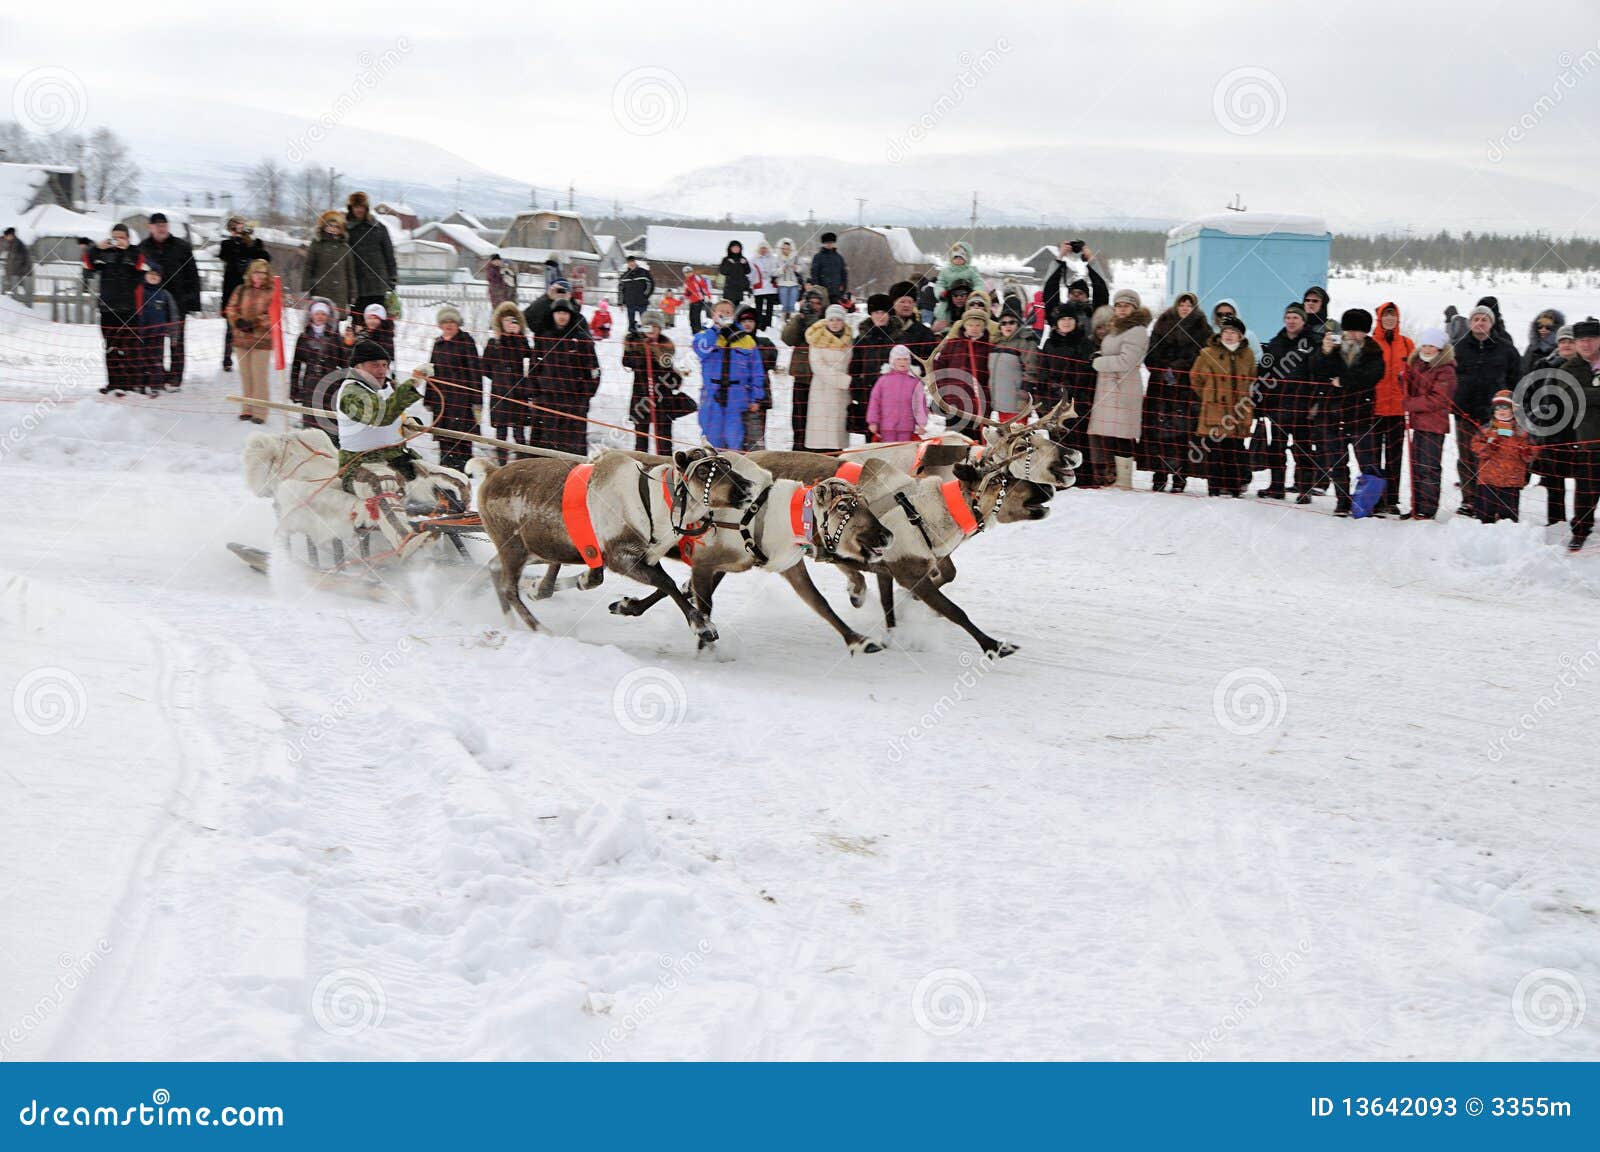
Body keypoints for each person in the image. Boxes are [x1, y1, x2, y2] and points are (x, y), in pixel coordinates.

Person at [1309, 308, 1387, 516]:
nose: (1352, 334)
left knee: (1368, 461)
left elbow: (1373, 375)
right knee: (1337, 461)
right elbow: (1316, 370)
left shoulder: (1373, 351)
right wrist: (1324, 352)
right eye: (1349, 329)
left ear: (1365, 332)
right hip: (1332, 414)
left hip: (1361, 414)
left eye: (1358, 330)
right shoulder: (1332, 347)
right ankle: (1342, 501)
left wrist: (1344, 380)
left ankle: (1373, 502)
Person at [1452, 303, 1522, 515]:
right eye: (1476, 319)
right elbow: (1449, 377)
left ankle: (1494, 500)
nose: (1480, 323)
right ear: (1470, 323)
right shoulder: (1458, 348)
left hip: (1497, 415)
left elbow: (1516, 379)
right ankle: (1470, 499)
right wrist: (1455, 402)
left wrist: (1511, 406)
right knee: (1467, 456)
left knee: (1497, 456)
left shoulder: (1506, 349)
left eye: (1484, 319)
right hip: (1465, 412)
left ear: (1491, 323)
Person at [1141, 291, 1211, 493]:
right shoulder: (1162, 323)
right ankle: (1159, 474)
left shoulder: (1203, 328)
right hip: (1160, 387)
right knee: (1158, 433)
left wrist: (1179, 368)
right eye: (1182, 304)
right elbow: (1151, 354)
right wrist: (1163, 369)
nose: (1185, 308)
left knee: (1183, 434)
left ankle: (1180, 476)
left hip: (1186, 388)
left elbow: (1202, 357)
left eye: (1189, 305)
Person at [1028, 303, 1102, 484]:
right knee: (1057, 439)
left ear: (1076, 321)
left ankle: (1083, 477)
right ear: (1056, 323)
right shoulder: (1049, 343)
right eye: (1063, 319)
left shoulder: (1084, 343)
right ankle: (1060, 476)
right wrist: (1044, 396)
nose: (1066, 322)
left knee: (1078, 439)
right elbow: (1043, 371)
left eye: (1070, 319)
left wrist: (1073, 388)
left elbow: (1089, 372)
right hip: (1054, 400)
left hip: (1078, 401)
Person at [1255, 302, 1320, 499]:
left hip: (1303, 406)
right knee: (1276, 448)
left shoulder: (1313, 343)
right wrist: (1261, 400)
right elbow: (1264, 372)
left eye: (1296, 318)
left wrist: (1316, 402)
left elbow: (1319, 375)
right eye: (1288, 317)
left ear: (1303, 320)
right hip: (1278, 405)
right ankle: (1276, 487)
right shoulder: (1275, 343)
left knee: (1303, 449)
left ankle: (1305, 489)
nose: (1291, 321)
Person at [335, 341, 426, 476]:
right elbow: (381, 416)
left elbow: (392, 411)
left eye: (385, 365)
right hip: (361, 467)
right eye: (375, 365)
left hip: (396, 461)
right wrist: (412, 384)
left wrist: (406, 423)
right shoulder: (351, 393)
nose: (382, 370)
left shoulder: (384, 388)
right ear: (358, 367)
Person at [1090, 289, 1150, 490]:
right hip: (1110, 388)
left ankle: (1124, 480)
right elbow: (1112, 351)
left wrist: (1099, 362)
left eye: (1127, 305)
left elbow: (1127, 361)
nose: (1122, 309)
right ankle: (1115, 476)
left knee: (1123, 435)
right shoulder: (1116, 328)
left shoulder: (1137, 330)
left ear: (1134, 308)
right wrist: (1099, 355)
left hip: (1124, 389)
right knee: (1112, 435)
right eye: (1118, 305)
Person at [1189, 315, 1256, 496]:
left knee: (1234, 450)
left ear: (1240, 336)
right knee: (1214, 451)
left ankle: (1234, 488)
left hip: (1239, 411)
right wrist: (1210, 396)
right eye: (1226, 331)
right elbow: (1195, 378)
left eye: (1233, 332)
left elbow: (1252, 377)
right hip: (1215, 411)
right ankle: (1215, 488)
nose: (1229, 335)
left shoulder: (1248, 354)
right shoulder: (1207, 353)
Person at [1552, 317, 1600, 550]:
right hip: (1588, 441)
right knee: (1586, 490)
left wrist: (1588, 394)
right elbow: (1571, 397)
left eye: (1591, 339)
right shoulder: (1568, 369)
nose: (1586, 344)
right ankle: (1580, 531)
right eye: (1581, 340)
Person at [135, 213, 199, 386]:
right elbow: (136, 276)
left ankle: (175, 376)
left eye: (164, 224)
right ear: (150, 227)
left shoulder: (182, 247)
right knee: (153, 341)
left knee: (176, 340)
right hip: (151, 304)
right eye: (157, 225)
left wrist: (192, 301)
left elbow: (192, 275)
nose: (161, 228)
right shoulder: (141, 248)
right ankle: (156, 374)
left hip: (177, 303)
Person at [1400, 327, 1457, 521]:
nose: (1427, 349)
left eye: (1431, 345)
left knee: (1429, 466)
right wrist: (1403, 380)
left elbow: (1438, 399)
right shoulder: (1417, 364)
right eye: (1424, 345)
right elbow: (1411, 388)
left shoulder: (1446, 370)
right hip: (1419, 424)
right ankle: (1416, 505)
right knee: (1416, 464)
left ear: (1439, 348)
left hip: (1434, 426)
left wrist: (1411, 404)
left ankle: (1428, 508)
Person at [531, 299, 600, 456]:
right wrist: (536, 394)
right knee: (548, 447)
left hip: (574, 402)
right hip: (548, 401)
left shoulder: (581, 339)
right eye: (558, 312)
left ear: (570, 315)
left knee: (573, 447)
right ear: (553, 315)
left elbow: (594, 370)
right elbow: (534, 368)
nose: (562, 316)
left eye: (565, 312)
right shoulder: (543, 338)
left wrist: (585, 396)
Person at [693, 299, 765, 450]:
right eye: (721, 312)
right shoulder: (705, 336)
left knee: (735, 442)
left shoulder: (746, 340)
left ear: (733, 316)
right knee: (711, 442)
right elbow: (701, 350)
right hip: (712, 397)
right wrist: (715, 329)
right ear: (713, 315)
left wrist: (755, 397)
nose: (724, 315)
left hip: (737, 398)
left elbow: (757, 372)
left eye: (728, 313)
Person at [84, 224, 144, 395]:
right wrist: (96, 249)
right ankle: (113, 383)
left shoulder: (135, 253)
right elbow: (87, 268)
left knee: (128, 349)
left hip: (129, 310)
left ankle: (129, 385)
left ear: (128, 239)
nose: (118, 241)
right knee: (110, 349)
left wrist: (128, 252)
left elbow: (143, 270)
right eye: (115, 237)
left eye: (121, 237)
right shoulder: (104, 254)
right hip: (107, 310)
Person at [1530, 322, 1577, 525]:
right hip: (1550, 433)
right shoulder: (1543, 365)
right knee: (1553, 480)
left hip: (1578, 433)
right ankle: (1556, 521)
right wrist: (1536, 419)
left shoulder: (1588, 367)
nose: (1566, 344)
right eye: (1563, 341)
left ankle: (1582, 521)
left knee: (1584, 480)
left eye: (1570, 341)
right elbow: (1529, 395)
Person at [1370, 302, 1413, 514]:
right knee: (1373, 456)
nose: (1389, 319)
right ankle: (1374, 499)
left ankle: (1391, 499)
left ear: (1398, 318)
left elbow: (1415, 372)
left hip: (1397, 410)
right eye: (1386, 315)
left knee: (1394, 457)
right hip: (1374, 409)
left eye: (1393, 315)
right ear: (1379, 318)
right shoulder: (1371, 343)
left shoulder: (1406, 343)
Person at [623, 310, 687, 455]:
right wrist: (634, 346)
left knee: (664, 440)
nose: (651, 329)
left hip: (662, 401)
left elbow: (670, 373)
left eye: (655, 326)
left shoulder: (665, 348)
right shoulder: (636, 346)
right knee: (641, 439)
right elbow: (627, 362)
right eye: (647, 326)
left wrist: (675, 380)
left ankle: (665, 464)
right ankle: (641, 464)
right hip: (641, 399)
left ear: (660, 328)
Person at [426, 306, 481, 471]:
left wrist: (476, 399)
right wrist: (429, 398)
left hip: (461, 399)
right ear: (440, 325)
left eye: (452, 322)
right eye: (445, 322)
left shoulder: (466, 342)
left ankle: (463, 469)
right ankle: (446, 468)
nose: (448, 325)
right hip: (442, 399)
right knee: (444, 436)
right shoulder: (438, 343)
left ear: (458, 324)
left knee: (462, 436)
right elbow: (431, 370)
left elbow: (474, 371)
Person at [1472, 391, 1538, 523]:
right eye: (1497, 408)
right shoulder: (1486, 429)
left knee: (1508, 517)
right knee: (1485, 514)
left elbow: (1532, 450)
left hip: (1511, 480)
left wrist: (1526, 452)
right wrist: (1489, 447)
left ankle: (1508, 532)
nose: (1501, 411)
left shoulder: (1521, 432)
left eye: (1505, 408)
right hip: (1488, 479)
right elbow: (1475, 446)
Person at [225, 258, 276, 423]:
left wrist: (255, 323)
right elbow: (230, 308)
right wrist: (238, 321)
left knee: (259, 376)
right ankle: (247, 408)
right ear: (251, 274)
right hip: (242, 340)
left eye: (263, 273)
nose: (260, 276)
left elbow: (274, 315)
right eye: (256, 272)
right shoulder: (241, 290)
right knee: (246, 375)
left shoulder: (272, 292)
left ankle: (260, 412)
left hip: (262, 341)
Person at [929, 304, 994, 434]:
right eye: (970, 325)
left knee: (975, 439)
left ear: (983, 326)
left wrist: (987, 397)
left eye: (978, 325)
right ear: (964, 326)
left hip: (977, 402)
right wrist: (944, 389)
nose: (974, 328)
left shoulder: (988, 348)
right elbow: (939, 367)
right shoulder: (953, 345)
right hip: (954, 401)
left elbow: (991, 376)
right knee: (955, 438)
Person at [482, 301, 534, 462]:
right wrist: (501, 379)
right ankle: (501, 464)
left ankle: (522, 464)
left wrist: (518, 336)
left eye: (513, 320)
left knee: (519, 433)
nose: (509, 323)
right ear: (499, 322)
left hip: (519, 394)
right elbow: (485, 367)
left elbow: (529, 356)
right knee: (501, 434)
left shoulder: (521, 341)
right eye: (506, 320)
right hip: (500, 395)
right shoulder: (494, 343)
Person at [217, 217, 269, 372]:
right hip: (232, 291)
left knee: (253, 324)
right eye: (234, 228)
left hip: (251, 291)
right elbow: (227, 255)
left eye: (240, 226)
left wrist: (249, 240)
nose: (238, 229)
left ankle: (251, 356)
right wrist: (238, 240)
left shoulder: (254, 244)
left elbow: (265, 258)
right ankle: (227, 359)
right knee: (231, 326)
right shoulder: (227, 244)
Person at [803, 304, 853, 450]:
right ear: (826, 321)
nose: (835, 323)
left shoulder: (849, 339)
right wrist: (846, 381)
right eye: (831, 320)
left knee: (838, 436)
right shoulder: (817, 339)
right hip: (822, 391)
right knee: (822, 436)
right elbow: (818, 367)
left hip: (842, 394)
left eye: (838, 319)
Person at [782, 289, 827, 449]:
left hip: (820, 377)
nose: (814, 306)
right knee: (799, 417)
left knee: (818, 417)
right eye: (811, 303)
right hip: (802, 375)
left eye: (817, 303)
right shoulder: (799, 320)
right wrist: (799, 319)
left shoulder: (827, 321)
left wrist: (814, 321)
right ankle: (799, 447)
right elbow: (787, 338)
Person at [289, 298, 344, 428]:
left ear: (328, 316)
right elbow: (296, 365)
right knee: (310, 423)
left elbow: (344, 363)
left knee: (329, 423)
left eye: (323, 314)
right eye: (317, 313)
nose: (320, 317)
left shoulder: (335, 338)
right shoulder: (303, 337)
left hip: (330, 386)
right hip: (310, 386)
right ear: (311, 315)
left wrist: (343, 386)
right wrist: (294, 388)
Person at [850, 294, 900, 437]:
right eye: (876, 312)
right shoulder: (862, 338)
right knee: (871, 436)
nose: (880, 316)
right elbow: (854, 367)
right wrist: (858, 390)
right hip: (869, 394)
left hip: (895, 394)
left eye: (884, 312)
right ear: (870, 314)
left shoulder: (899, 336)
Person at [345, 191, 396, 313]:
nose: (359, 210)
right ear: (351, 208)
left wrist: (392, 279)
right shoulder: (345, 230)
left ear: (366, 208)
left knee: (378, 320)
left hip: (378, 286)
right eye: (356, 206)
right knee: (358, 321)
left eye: (361, 206)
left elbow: (389, 255)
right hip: (356, 287)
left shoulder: (379, 228)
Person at [135, 262, 181, 394]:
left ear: (161, 278)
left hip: (158, 334)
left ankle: (156, 385)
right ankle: (140, 384)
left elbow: (173, 315)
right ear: (145, 275)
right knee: (140, 359)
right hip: (140, 333)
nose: (153, 277)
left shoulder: (164, 294)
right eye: (151, 274)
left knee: (156, 360)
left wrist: (174, 335)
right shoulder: (139, 292)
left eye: (157, 275)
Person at [867, 345, 929, 443]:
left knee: (903, 450)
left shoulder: (914, 382)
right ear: (892, 361)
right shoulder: (883, 380)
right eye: (898, 359)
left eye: (905, 359)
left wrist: (921, 423)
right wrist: (873, 421)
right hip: (887, 426)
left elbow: (920, 404)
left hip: (906, 427)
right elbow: (875, 401)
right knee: (888, 450)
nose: (902, 362)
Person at [301, 210, 354, 318]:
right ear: (324, 226)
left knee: (335, 322)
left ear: (341, 228)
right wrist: (306, 288)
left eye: (336, 226)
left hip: (339, 293)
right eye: (330, 225)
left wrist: (352, 293)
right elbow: (308, 267)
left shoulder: (345, 247)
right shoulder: (317, 244)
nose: (333, 229)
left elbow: (350, 273)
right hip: (320, 291)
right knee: (318, 319)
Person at [739, 304, 777, 448]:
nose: (747, 324)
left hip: (760, 397)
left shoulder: (765, 343)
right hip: (737, 397)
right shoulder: (731, 344)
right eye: (744, 321)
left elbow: (771, 362)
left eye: (751, 321)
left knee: (757, 436)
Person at [1042, 242, 1109, 320]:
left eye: (1080, 293)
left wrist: (1090, 258)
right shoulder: (1059, 313)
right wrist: (1060, 257)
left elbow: (1101, 290)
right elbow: (1049, 289)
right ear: (1068, 295)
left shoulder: (1095, 314)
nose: (1076, 295)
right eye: (1073, 293)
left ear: (1087, 297)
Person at [989, 309, 1035, 423]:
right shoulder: (996, 343)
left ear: (1018, 324)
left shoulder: (1025, 342)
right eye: (1003, 323)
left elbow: (1032, 370)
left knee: (1017, 433)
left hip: (1018, 403)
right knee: (1005, 432)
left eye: (1011, 322)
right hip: (1000, 402)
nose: (1007, 325)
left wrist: (1024, 394)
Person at [886, 281, 938, 363]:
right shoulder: (884, 328)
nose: (906, 305)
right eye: (902, 301)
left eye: (910, 302)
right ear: (893, 304)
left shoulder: (924, 332)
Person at [617, 254, 654, 332]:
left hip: (642, 302)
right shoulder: (624, 276)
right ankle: (633, 334)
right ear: (627, 263)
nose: (631, 263)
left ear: (635, 262)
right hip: (630, 302)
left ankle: (646, 335)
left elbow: (651, 284)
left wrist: (646, 295)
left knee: (645, 323)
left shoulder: (643, 272)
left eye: (632, 261)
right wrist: (620, 302)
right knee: (631, 325)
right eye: (629, 262)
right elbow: (620, 290)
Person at [809, 232, 848, 302]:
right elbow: (814, 273)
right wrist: (817, 287)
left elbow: (843, 273)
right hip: (822, 290)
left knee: (834, 307)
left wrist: (843, 285)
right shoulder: (818, 257)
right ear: (823, 243)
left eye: (831, 242)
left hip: (836, 290)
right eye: (827, 242)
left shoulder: (839, 257)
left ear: (834, 243)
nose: (829, 244)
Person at [752, 243, 780, 329]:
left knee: (769, 308)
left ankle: (768, 324)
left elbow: (776, 271)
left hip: (770, 286)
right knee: (758, 308)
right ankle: (758, 324)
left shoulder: (773, 259)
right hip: (758, 286)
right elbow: (751, 272)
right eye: (761, 248)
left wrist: (775, 274)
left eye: (765, 248)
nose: (763, 250)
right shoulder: (753, 259)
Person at [1, 226, 32, 300]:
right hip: (15, 272)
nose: (5, 238)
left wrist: (22, 272)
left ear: (11, 235)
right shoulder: (12, 243)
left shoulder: (17, 244)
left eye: (6, 236)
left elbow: (25, 259)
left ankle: (23, 305)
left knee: (21, 294)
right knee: (13, 292)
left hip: (20, 273)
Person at [774, 238, 802, 317]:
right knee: (785, 306)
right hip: (782, 284)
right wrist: (781, 270)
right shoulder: (777, 258)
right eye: (784, 248)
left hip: (794, 284)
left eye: (788, 249)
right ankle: (784, 319)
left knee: (792, 306)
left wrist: (796, 267)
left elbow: (801, 268)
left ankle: (791, 320)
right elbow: (774, 272)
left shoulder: (795, 257)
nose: (786, 250)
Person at [718, 240, 751, 305]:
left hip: (739, 288)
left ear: (740, 249)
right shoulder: (726, 259)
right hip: (729, 287)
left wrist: (745, 264)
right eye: (734, 247)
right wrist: (729, 264)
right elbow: (723, 271)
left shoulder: (743, 259)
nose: (736, 249)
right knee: (729, 306)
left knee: (737, 306)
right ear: (730, 248)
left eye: (738, 247)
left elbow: (748, 271)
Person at [683, 265, 713, 333]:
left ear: (692, 272)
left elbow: (704, 287)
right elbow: (686, 291)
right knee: (691, 317)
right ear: (684, 274)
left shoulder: (696, 278)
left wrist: (707, 296)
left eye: (689, 272)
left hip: (699, 300)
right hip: (692, 301)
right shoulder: (686, 281)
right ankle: (694, 331)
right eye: (686, 273)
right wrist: (685, 295)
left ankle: (697, 331)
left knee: (696, 317)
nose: (688, 274)